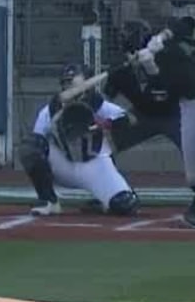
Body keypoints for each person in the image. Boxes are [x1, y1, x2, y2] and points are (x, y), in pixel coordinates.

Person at [109, 15, 195, 229]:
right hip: (188, 106)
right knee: (193, 174)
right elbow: (162, 91)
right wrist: (150, 67)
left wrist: (159, 40)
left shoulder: (173, 42)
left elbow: (189, 21)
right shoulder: (144, 62)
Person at [18, 64, 140, 218]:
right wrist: (56, 121)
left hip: (94, 165)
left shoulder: (97, 104)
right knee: (31, 146)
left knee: (125, 205)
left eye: (71, 82)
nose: (67, 86)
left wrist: (106, 123)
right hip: (63, 164)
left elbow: (131, 119)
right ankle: (49, 201)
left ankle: (103, 201)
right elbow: (36, 141)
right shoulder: (51, 108)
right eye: (65, 82)